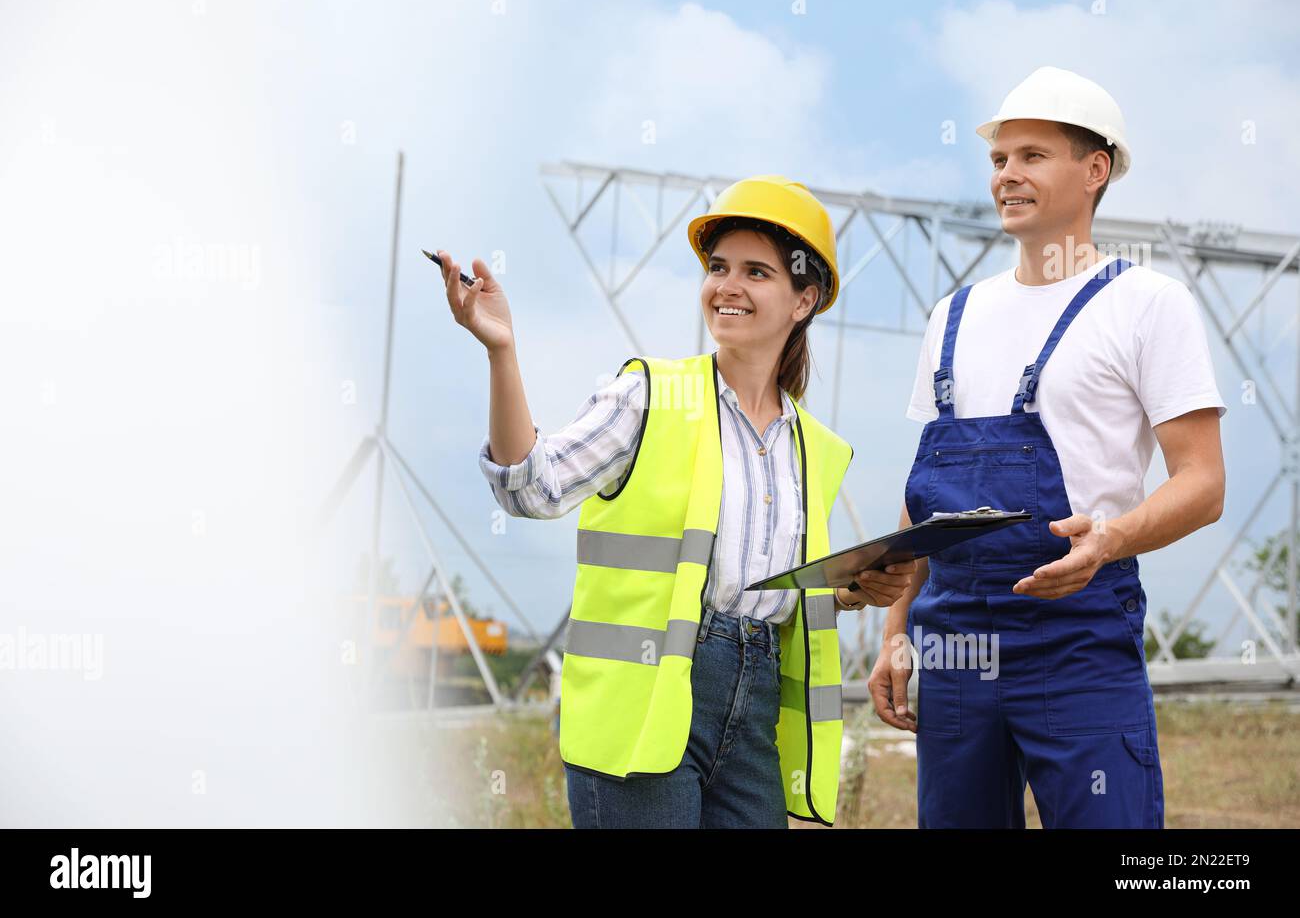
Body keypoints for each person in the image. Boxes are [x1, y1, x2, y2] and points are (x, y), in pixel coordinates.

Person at [440, 175, 917, 828]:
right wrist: (503, 352)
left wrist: (851, 588)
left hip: (756, 710)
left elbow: (764, 586)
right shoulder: (648, 396)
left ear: (804, 299)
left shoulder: (813, 446)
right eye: (719, 267)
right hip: (643, 706)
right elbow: (530, 485)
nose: (728, 286)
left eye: (756, 272)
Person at [868, 67, 1227, 828]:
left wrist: (1111, 538)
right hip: (956, 641)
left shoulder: (1146, 305)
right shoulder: (953, 315)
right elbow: (923, 495)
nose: (1007, 176)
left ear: (1095, 170)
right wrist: (895, 634)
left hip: (1078, 636)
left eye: (1031, 156)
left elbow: (1202, 482)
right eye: (999, 159)